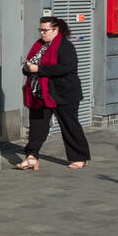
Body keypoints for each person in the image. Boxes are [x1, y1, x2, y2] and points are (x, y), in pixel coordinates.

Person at [16, 16, 90, 170]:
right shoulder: (39, 46)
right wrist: (27, 68)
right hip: (40, 93)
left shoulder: (65, 46)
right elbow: (30, 63)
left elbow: (65, 68)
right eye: (40, 30)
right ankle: (32, 157)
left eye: (45, 30)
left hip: (64, 93)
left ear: (56, 30)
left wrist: (39, 69)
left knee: (69, 125)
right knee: (37, 127)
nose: (42, 33)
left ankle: (79, 157)